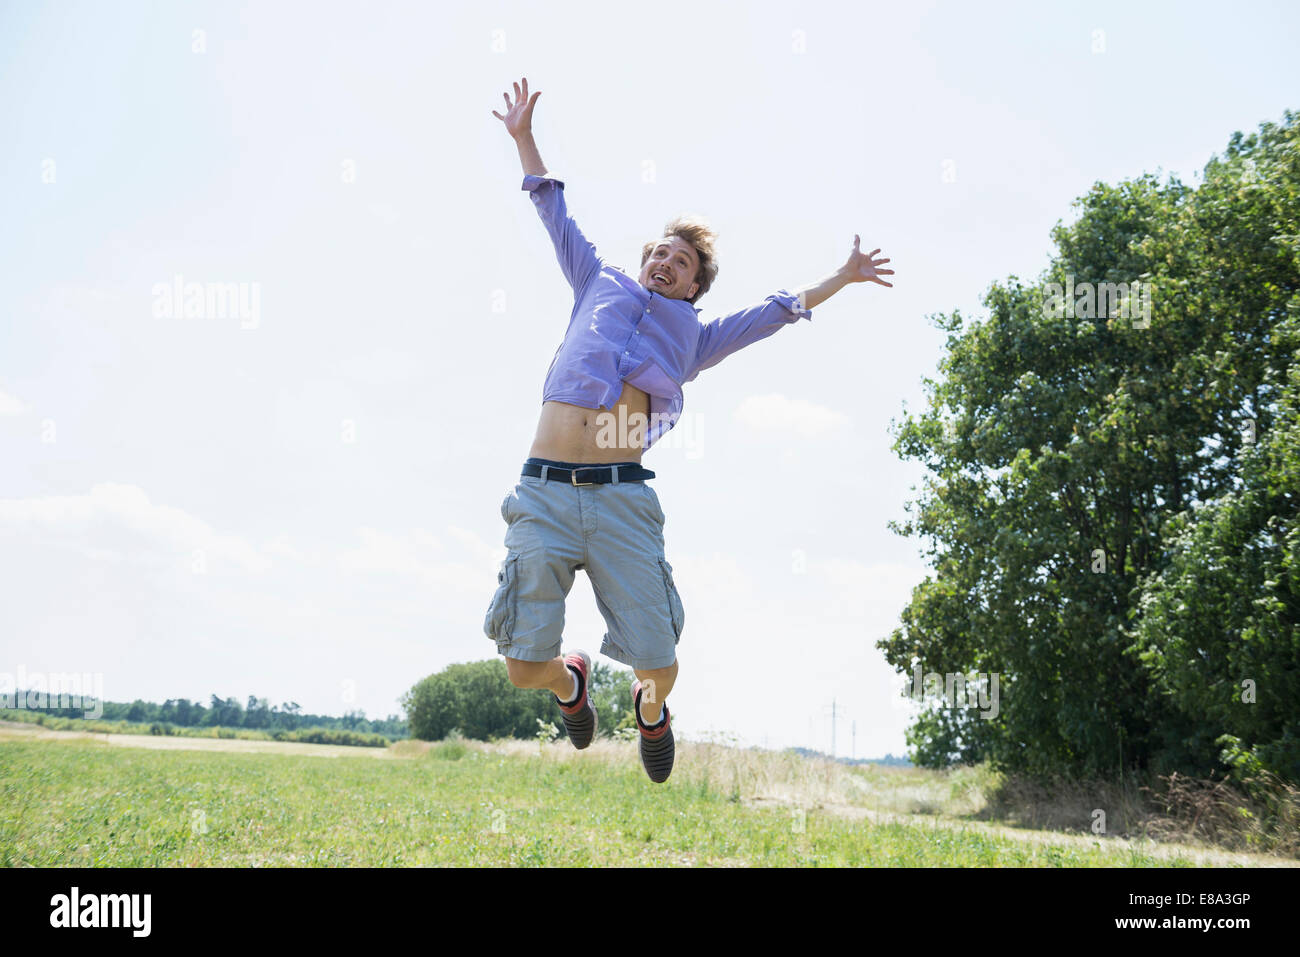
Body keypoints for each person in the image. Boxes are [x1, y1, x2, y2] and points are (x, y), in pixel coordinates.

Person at [485, 77, 894, 783]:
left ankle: (650, 712)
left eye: (681, 262)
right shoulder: (597, 281)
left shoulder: (696, 337)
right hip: (545, 490)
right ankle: (570, 682)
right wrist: (523, 137)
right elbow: (553, 210)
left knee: (658, 665)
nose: (664, 263)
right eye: (659, 253)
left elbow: (775, 311)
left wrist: (843, 277)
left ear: (695, 285)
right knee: (523, 666)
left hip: (619, 498)